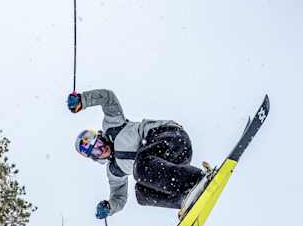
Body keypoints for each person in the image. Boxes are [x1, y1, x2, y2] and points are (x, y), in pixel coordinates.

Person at [67, 89, 212, 219]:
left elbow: (107, 98)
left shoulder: (113, 126)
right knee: (141, 193)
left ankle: (198, 179)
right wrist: (110, 206)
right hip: (174, 165)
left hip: (171, 137)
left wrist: (83, 100)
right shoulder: (115, 171)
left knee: (140, 166)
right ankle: (185, 198)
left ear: (100, 136)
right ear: (95, 158)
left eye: (99, 143)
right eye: (96, 151)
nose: (102, 148)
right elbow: (119, 197)